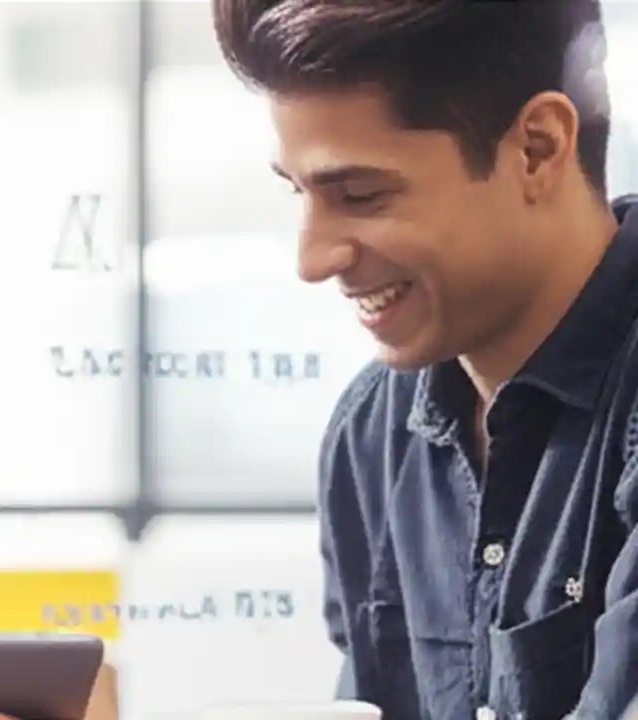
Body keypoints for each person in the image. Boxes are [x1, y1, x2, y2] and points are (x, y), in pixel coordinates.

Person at [211, 0, 638, 718]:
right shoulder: (372, 432)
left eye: (360, 194)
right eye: (298, 192)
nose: (312, 259)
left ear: (536, 147)